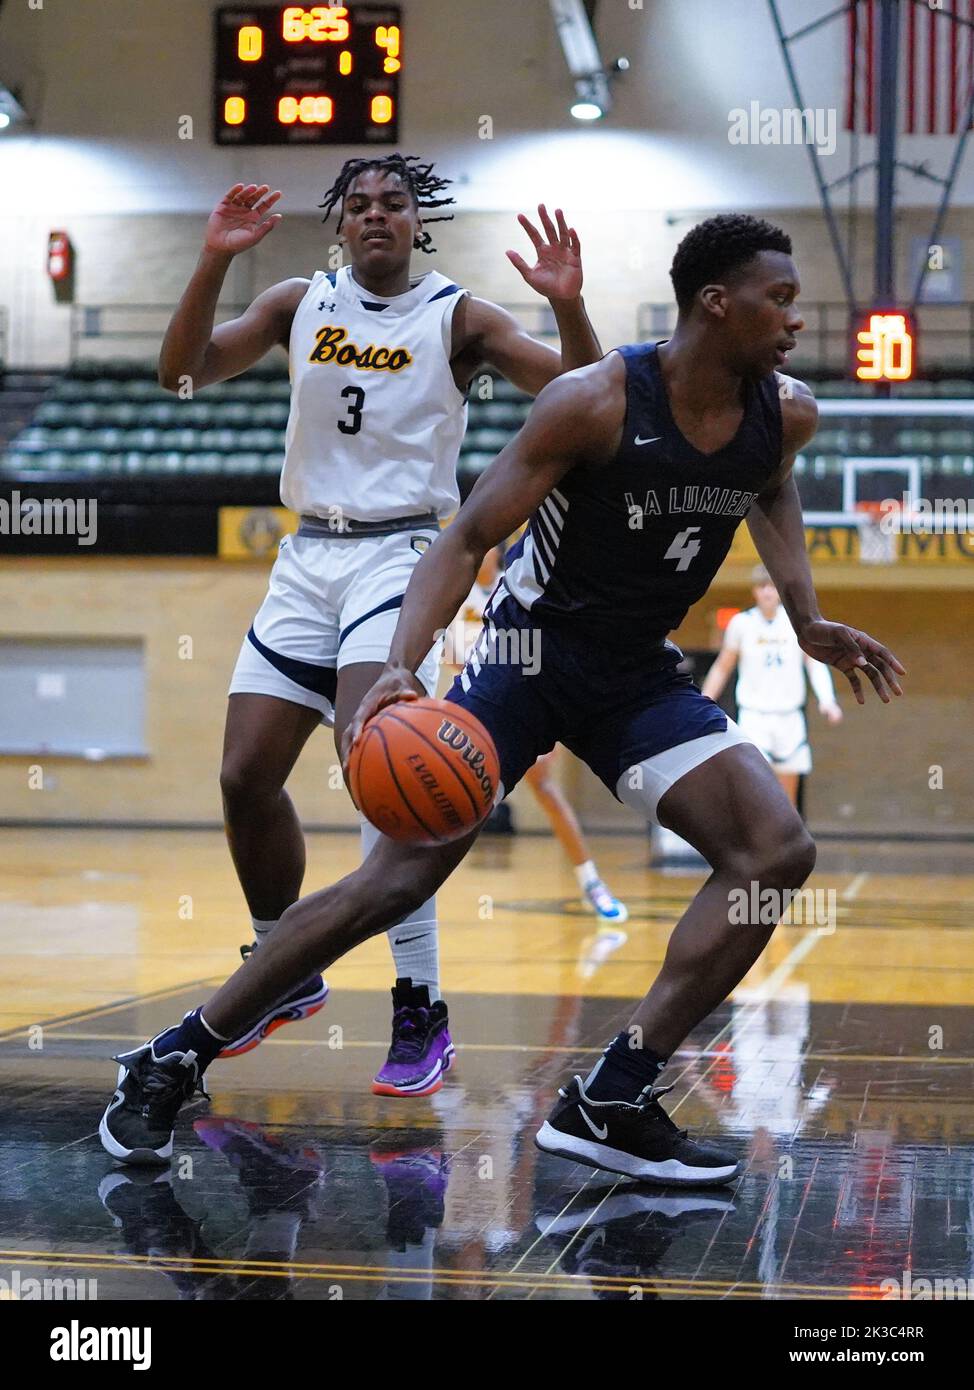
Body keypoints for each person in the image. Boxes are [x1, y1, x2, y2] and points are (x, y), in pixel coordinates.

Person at [101, 214, 904, 1184]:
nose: (795, 319)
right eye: (778, 299)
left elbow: (768, 488)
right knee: (393, 883)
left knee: (773, 850)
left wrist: (807, 615)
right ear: (715, 303)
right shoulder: (594, 400)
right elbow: (466, 536)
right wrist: (402, 662)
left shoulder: (787, 412)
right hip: (529, 659)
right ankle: (173, 1056)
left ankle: (612, 1095)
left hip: (635, 673)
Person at [157, 156, 601, 1096]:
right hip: (305, 557)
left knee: (379, 774)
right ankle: (283, 963)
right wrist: (213, 259)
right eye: (357, 204)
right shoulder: (296, 302)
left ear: (417, 221)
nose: (374, 216)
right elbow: (181, 372)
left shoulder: (460, 317)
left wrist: (567, 304)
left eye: (393, 203)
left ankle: (420, 1005)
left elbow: (586, 395)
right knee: (243, 776)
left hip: (403, 552)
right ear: (339, 222)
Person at [459, 547, 628, 929]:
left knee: (547, 791)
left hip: (528, 702)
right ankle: (415, 884)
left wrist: (547, 731)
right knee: (466, 797)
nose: (481, 554)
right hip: (479, 705)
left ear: (497, 553)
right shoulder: (460, 595)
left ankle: (591, 882)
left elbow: (541, 653)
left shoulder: (514, 585)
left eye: (488, 549)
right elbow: (456, 657)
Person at [701, 565, 842, 805]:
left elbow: (814, 664)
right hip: (755, 717)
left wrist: (827, 700)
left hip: (790, 718)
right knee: (756, 794)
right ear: (754, 591)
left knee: (786, 800)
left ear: (780, 591)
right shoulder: (741, 623)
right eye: (761, 586)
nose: (767, 592)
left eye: (772, 586)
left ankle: (786, 830)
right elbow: (723, 667)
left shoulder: (798, 623)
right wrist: (703, 703)